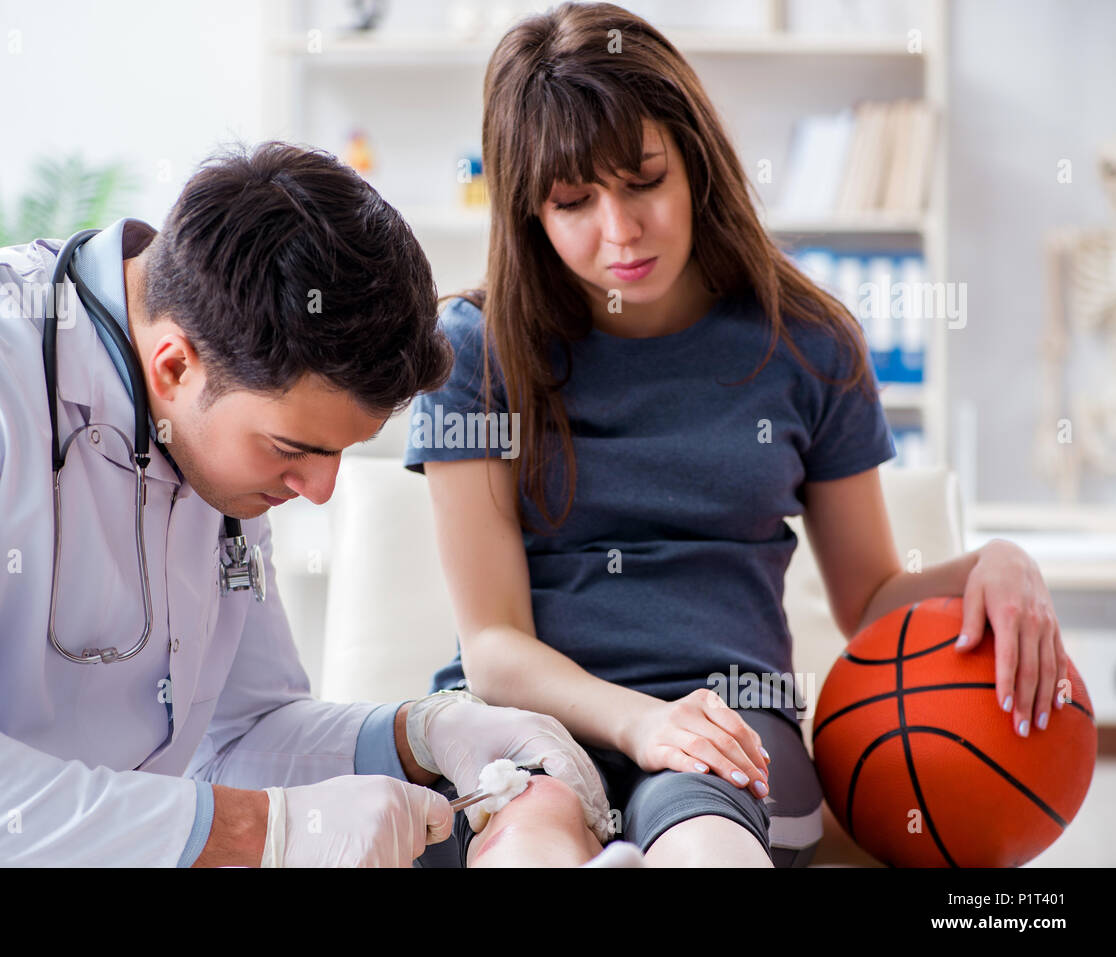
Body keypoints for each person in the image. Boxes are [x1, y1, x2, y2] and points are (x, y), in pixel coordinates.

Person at [0, 140, 613, 867]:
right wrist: (263, 829)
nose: (322, 489)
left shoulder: (216, 437)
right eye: (294, 450)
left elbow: (241, 736)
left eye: (340, 451)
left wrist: (426, 731)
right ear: (173, 366)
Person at [405, 2, 1066, 867]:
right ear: (528, 212)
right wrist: (640, 722)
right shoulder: (473, 350)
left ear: (696, 161)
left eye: (644, 179)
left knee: (711, 846)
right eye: (573, 202)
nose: (620, 231)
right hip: (529, 723)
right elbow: (492, 646)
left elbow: (869, 597)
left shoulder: (808, 344)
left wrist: (994, 562)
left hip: (732, 721)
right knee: (530, 836)